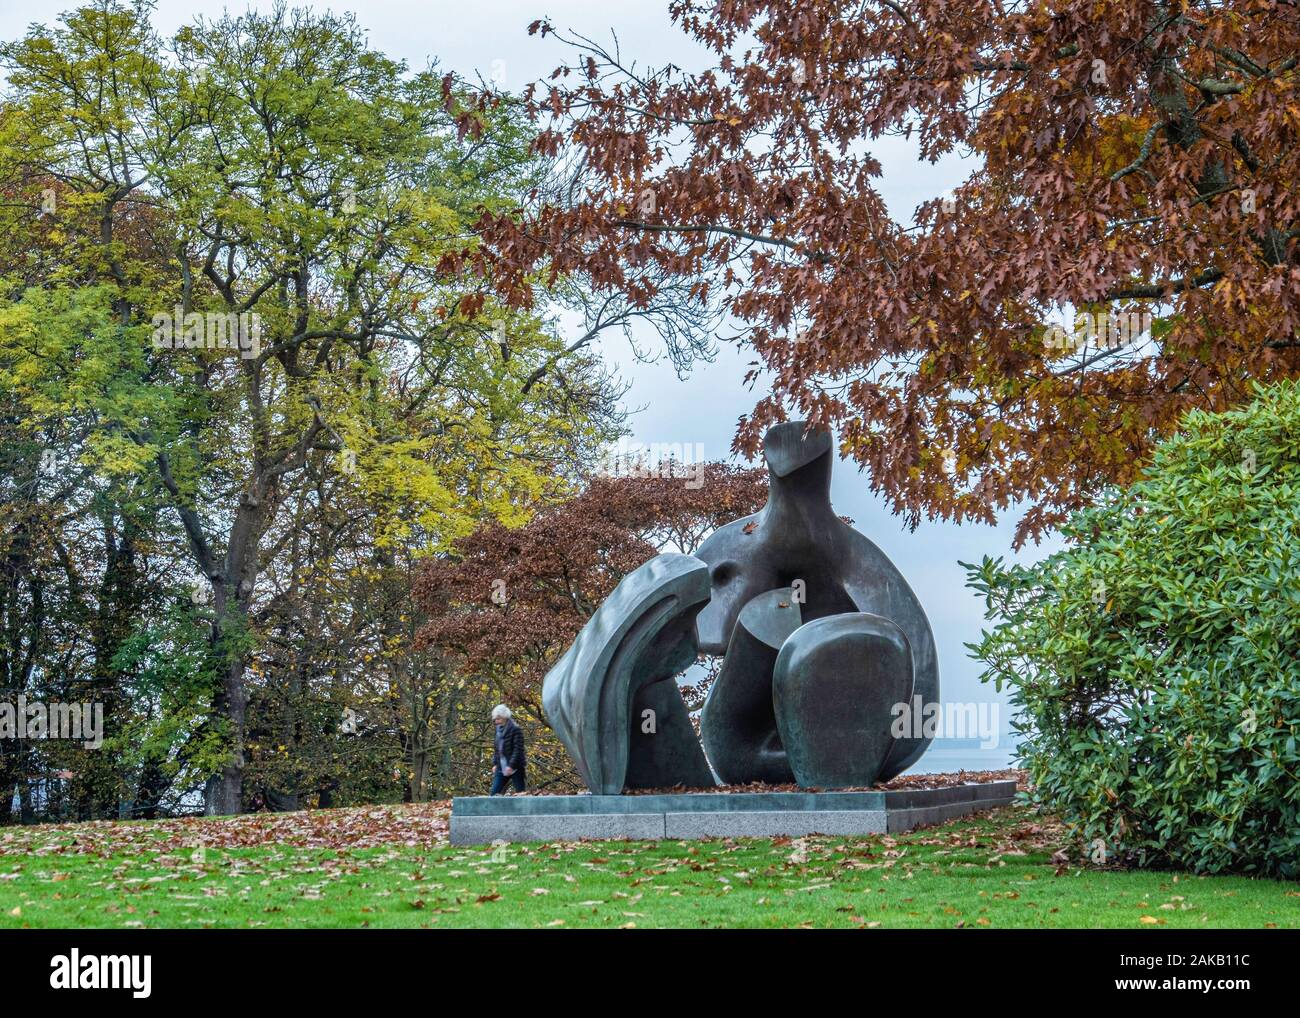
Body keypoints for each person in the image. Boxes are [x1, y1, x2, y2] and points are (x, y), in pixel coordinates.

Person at [489, 704, 526, 794]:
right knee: (493, 794)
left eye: (498, 718)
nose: (496, 721)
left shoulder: (515, 729)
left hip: (516, 768)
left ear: (505, 717)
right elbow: (497, 749)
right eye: (495, 719)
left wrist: (511, 766)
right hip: (501, 767)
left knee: (520, 794)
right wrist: (494, 763)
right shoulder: (498, 730)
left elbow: (518, 750)